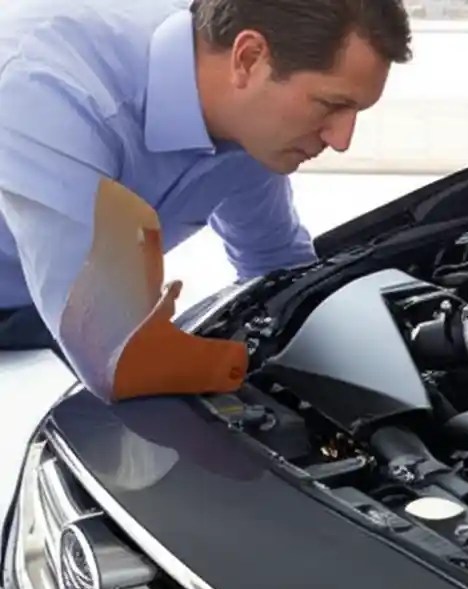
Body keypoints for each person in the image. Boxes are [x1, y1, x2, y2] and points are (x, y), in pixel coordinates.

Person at [0, 0, 411, 398]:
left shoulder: (249, 124)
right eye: (331, 105)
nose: (342, 140)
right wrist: (242, 364)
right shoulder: (51, 91)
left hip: (53, 310)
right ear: (248, 58)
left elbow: (276, 263)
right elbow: (116, 357)